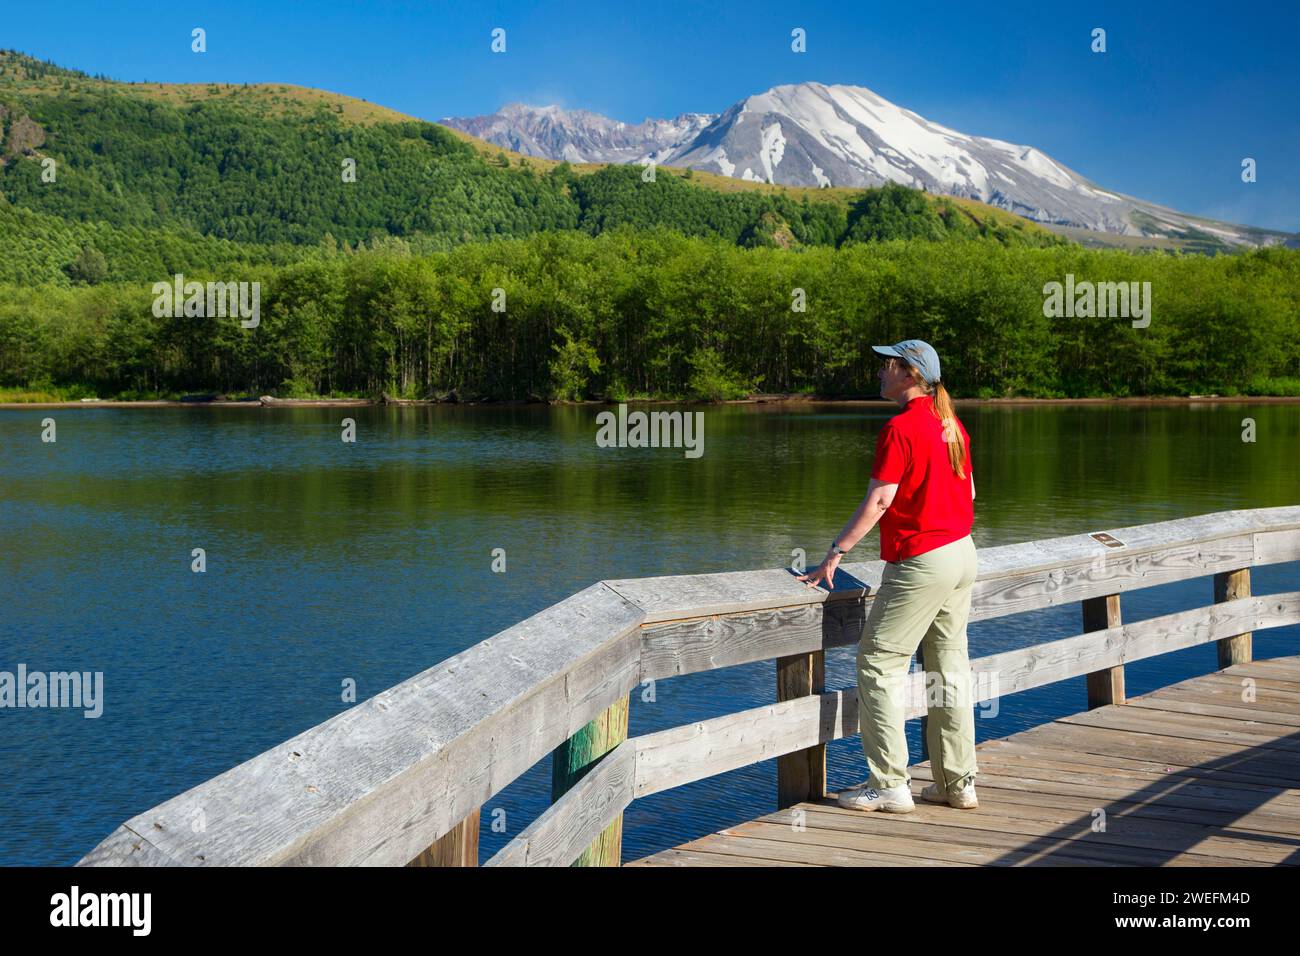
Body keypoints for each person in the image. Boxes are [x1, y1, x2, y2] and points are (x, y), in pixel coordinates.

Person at [797, 339, 979, 813]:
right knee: (949, 669)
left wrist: (835, 553)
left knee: (878, 664)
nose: (880, 371)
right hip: (962, 553)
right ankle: (957, 784)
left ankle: (890, 785)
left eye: (889, 365)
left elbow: (880, 502)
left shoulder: (902, 427)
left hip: (924, 558)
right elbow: (971, 491)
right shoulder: (951, 424)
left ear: (911, 375)